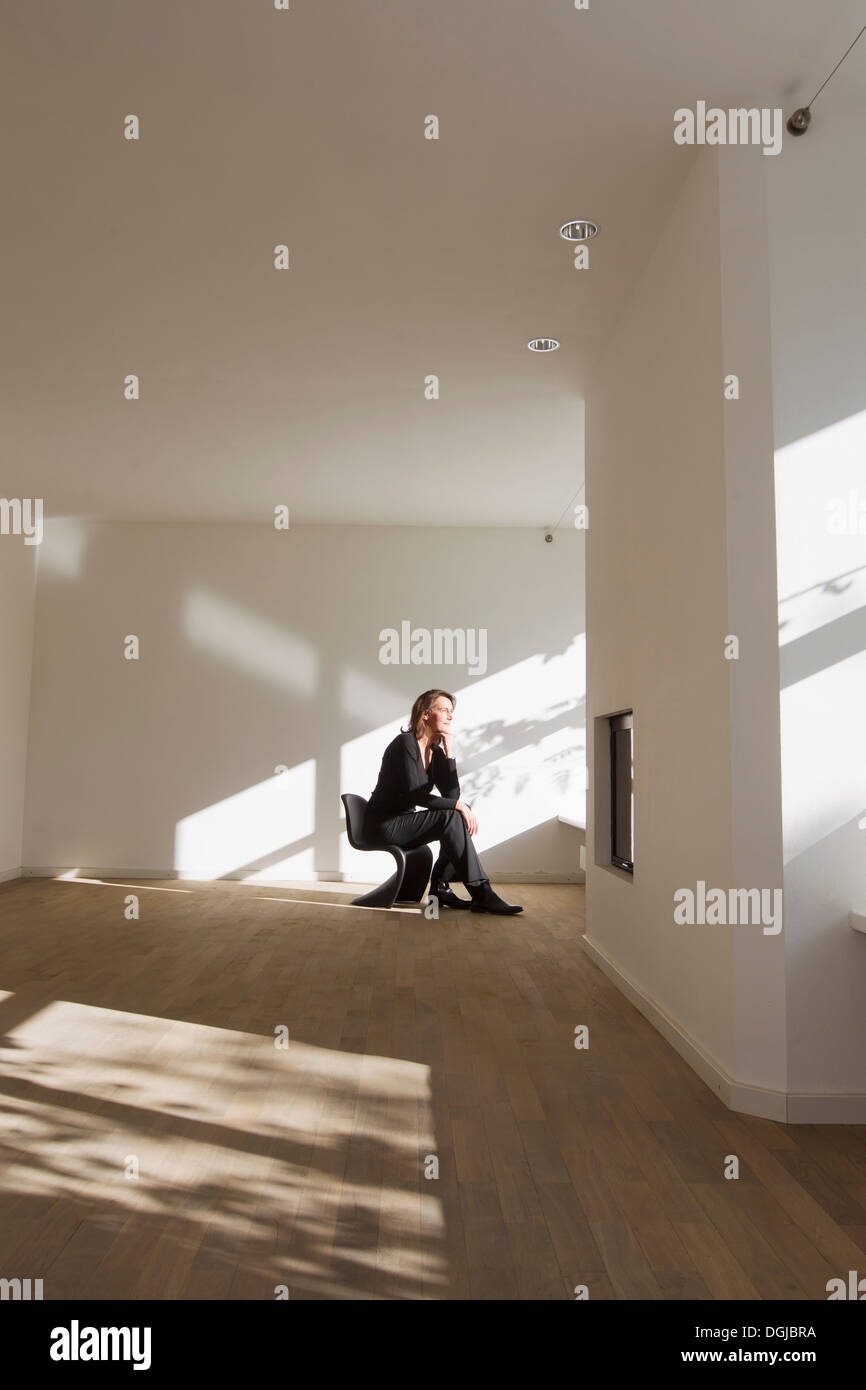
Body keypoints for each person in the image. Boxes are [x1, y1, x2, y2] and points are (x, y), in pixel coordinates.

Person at [364, 689, 523, 915]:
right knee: (453, 813)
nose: (450, 716)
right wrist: (458, 806)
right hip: (383, 825)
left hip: (403, 821)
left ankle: (441, 888)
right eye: (444, 710)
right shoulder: (405, 744)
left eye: (452, 712)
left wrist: (449, 752)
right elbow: (416, 795)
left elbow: (452, 796)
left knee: (454, 814)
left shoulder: (434, 751)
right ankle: (481, 893)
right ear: (426, 714)